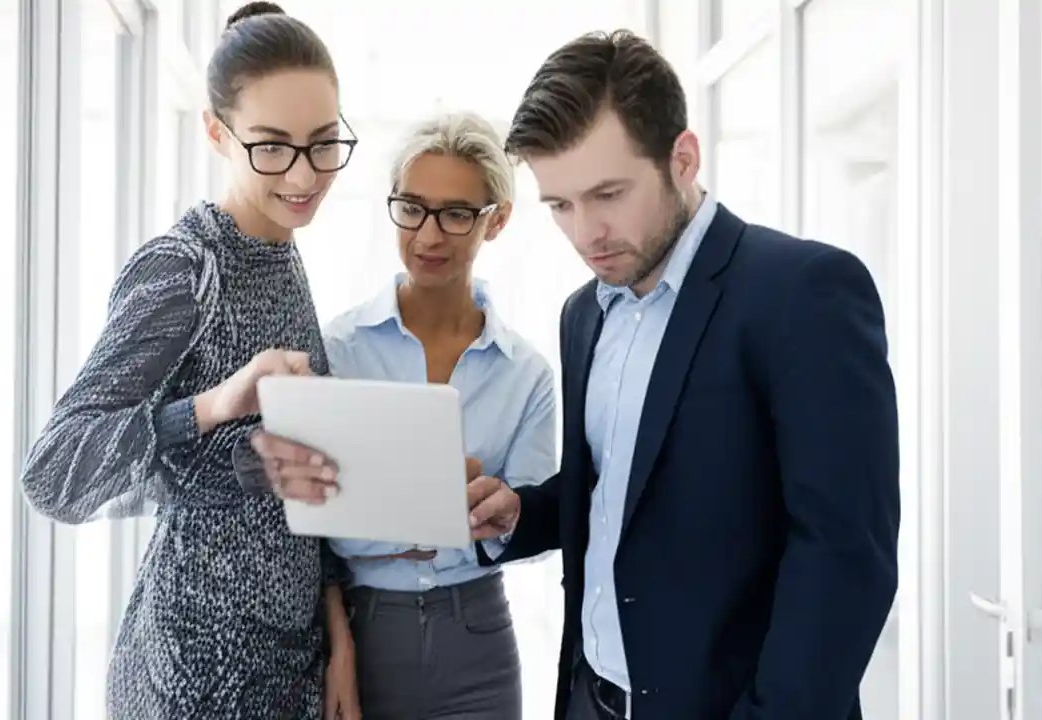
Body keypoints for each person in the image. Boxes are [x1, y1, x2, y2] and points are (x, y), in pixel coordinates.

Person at [254, 29, 900, 720]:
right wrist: (519, 513)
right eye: (560, 205)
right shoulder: (584, 314)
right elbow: (614, 487)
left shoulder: (802, 291)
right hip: (592, 699)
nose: (586, 233)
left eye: (608, 194)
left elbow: (845, 556)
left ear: (683, 159)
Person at [18, 3, 361, 718]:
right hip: (190, 677)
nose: (304, 175)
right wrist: (215, 404)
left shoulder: (282, 249)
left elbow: (294, 479)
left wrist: (340, 644)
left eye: (323, 143)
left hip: (291, 671)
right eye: (271, 146)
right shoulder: (183, 268)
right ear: (215, 130)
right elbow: (54, 474)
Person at [319, 112, 557, 719]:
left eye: (456, 214)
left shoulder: (526, 375)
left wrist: (499, 510)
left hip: (477, 635)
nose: (428, 236)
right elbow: (305, 524)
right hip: (361, 627)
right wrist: (338, 641)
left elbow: (530, 528)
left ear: (496, 220)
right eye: (412, 208)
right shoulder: (338, 350)